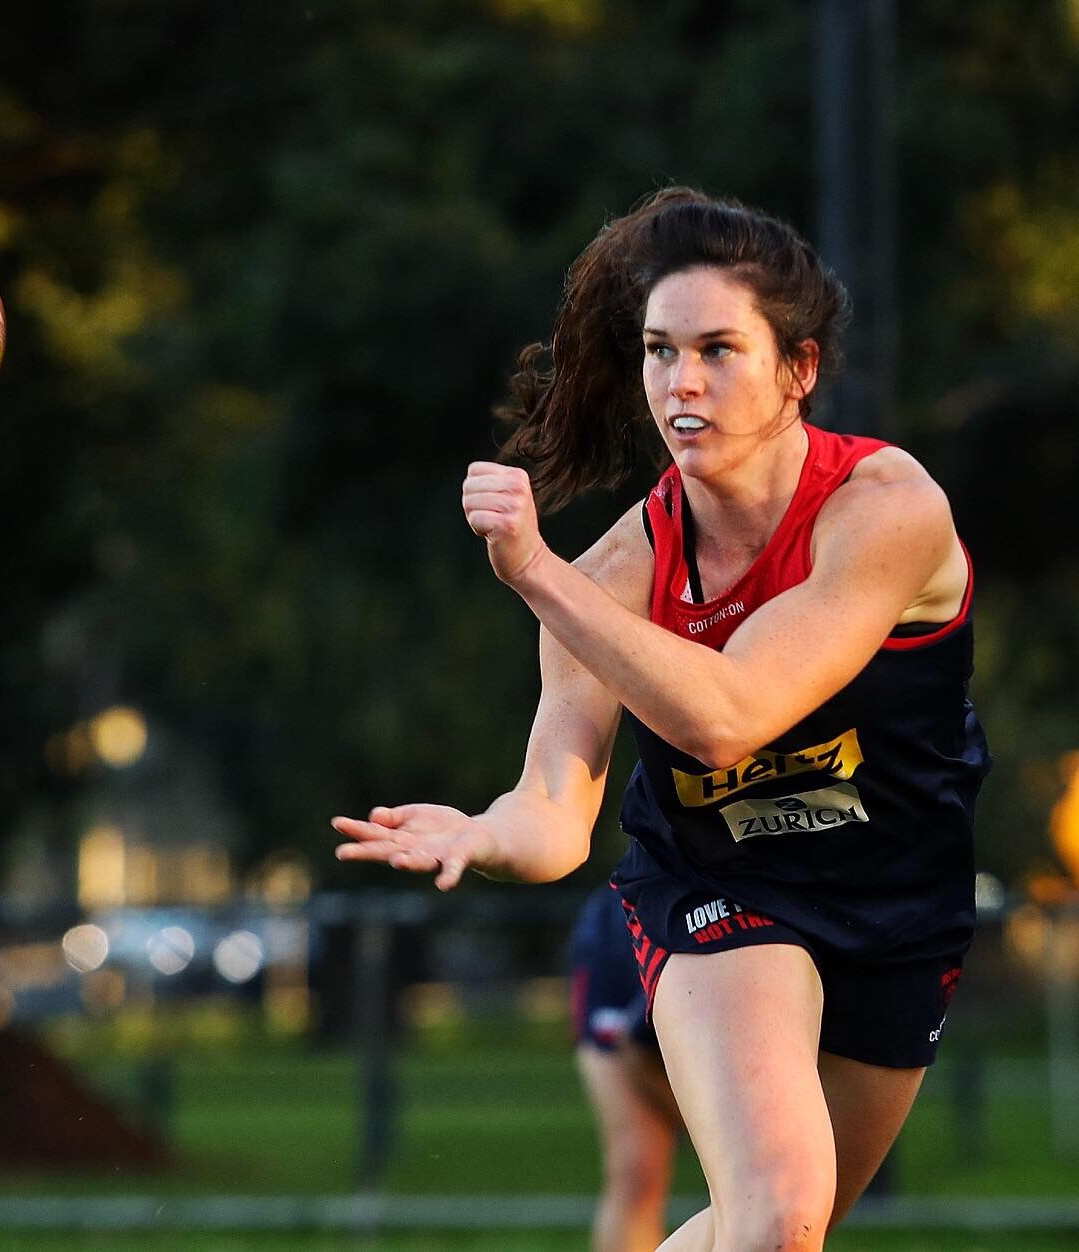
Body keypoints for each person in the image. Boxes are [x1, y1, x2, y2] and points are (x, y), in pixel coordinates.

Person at [333, 186, 989, 1251]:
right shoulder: (613, 575)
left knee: (768, 1227)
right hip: (719, 886)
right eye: (658, 350)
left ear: (801, 368)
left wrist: (540, 575)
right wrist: (484, 832)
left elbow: (731, 712)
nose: (681, 384)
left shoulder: (886, 511)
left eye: (720, 350)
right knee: (779, 1211)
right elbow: (556, 813)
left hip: (901, 901)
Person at [571, 883, 683, 1251]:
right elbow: (634, 1046)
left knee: (774, 1181)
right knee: (637, 1168)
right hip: (628, 930)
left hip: (745, 910)